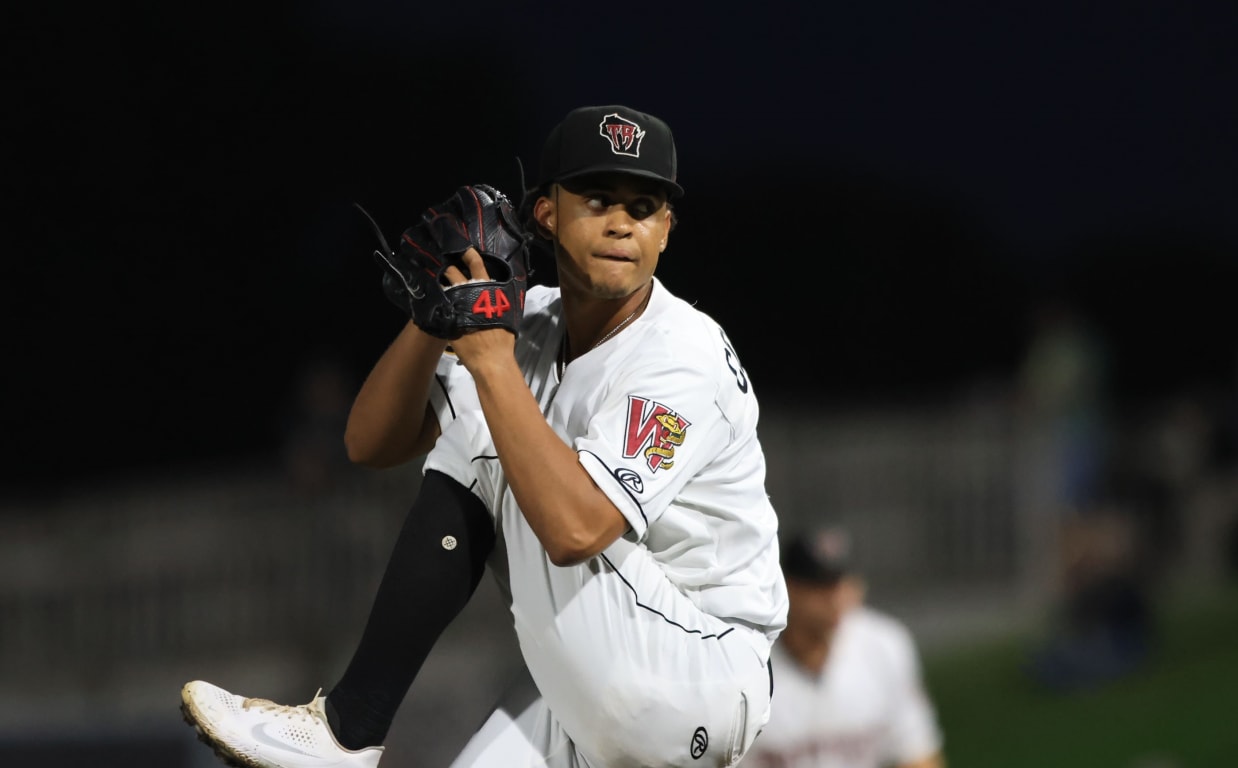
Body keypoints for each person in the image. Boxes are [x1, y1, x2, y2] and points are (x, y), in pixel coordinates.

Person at [180, 104, 788, 768]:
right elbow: (371, 443)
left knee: (489, 410)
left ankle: (347, 729)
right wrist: (433, 320)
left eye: (643, 207)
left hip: (695, 667)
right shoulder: (527, 320)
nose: (621, 222)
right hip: (596, 671)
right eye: (596, 198)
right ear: (547, 214)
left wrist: (490, 359)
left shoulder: (683, 353)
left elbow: (577, 530)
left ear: (666, 230)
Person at [740, 526, 945, 768]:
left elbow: (917, 751)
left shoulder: (884, 645)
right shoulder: (747, 659)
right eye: (820, 586)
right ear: (787, 588)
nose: (835, 597)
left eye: (841, 582)